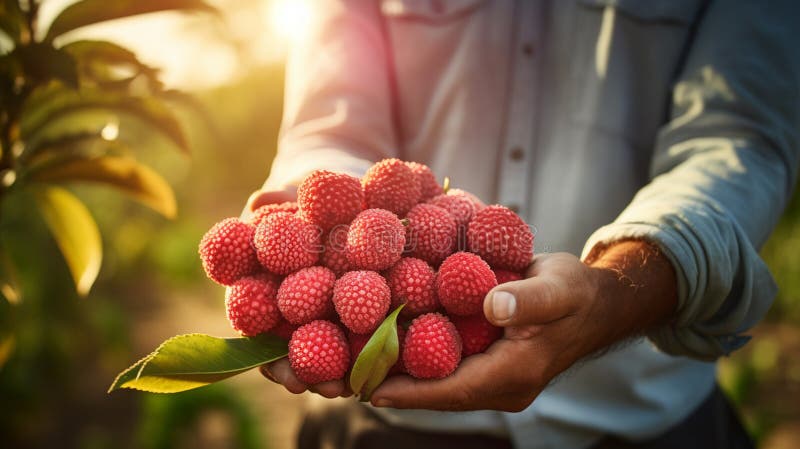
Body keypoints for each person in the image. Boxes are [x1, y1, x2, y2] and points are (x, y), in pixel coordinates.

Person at [245, 0, 800, 447]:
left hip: (642, 417)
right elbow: (333, 127)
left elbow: (736, 141)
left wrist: (616, 289)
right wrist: (310, 212)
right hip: (388, 428)